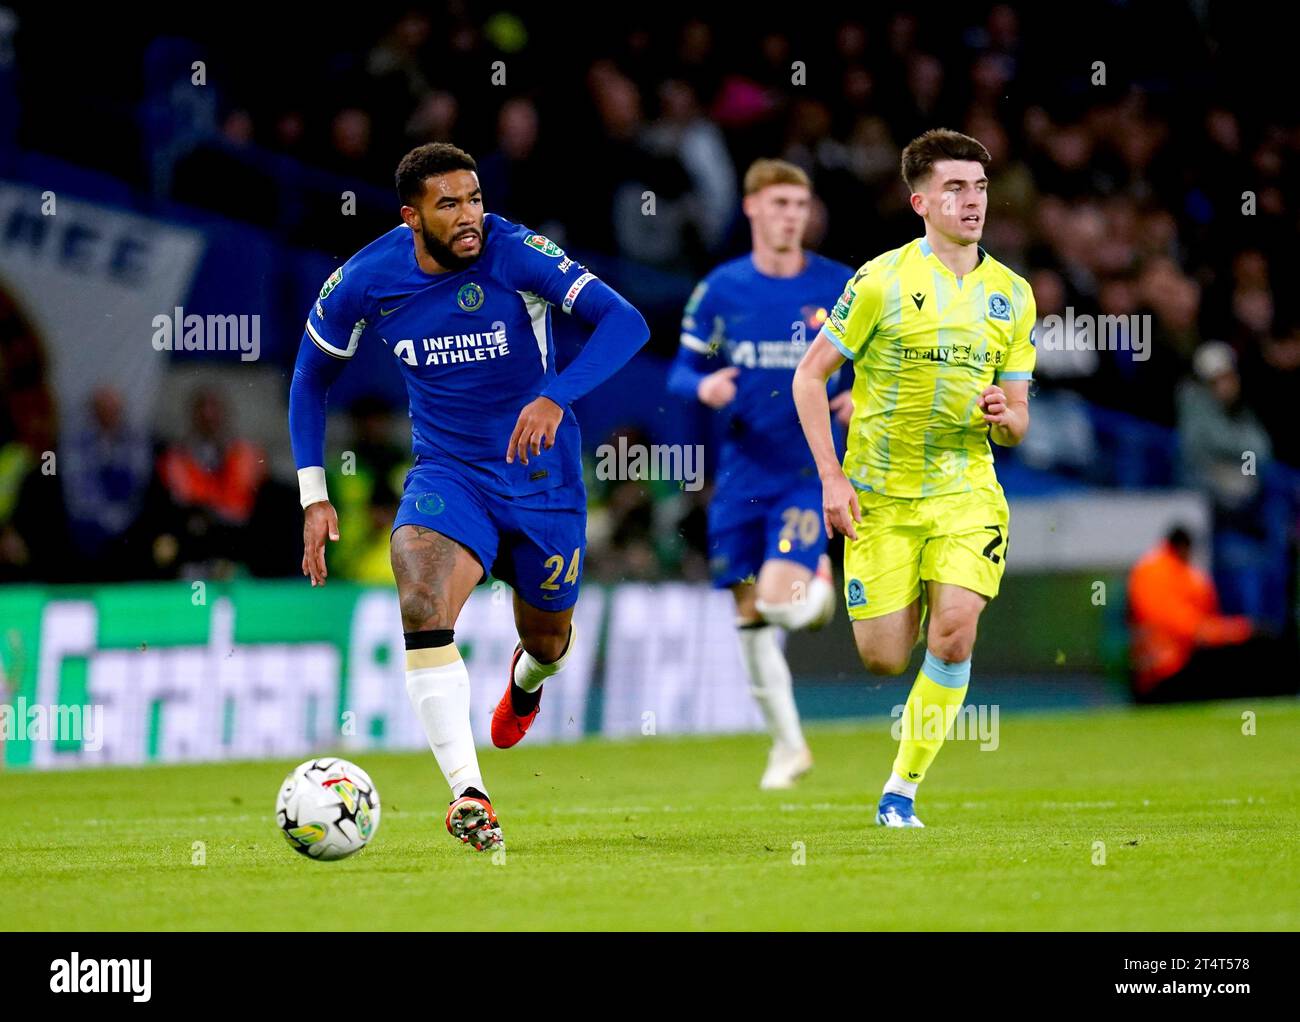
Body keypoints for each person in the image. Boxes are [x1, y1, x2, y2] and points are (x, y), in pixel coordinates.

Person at [289, 143, 649, 852]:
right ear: (411, 215)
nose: (469, 216)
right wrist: (313, 494)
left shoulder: (519, 254)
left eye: (475, 198)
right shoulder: (364, 279)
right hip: (450, 475)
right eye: (448, 204)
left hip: (543, 481)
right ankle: (468, 793)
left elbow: (626, 322)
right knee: (419, 589)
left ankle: (526, 683)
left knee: (547, 641)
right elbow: (310, 380)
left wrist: (555, 393)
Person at [792, 128, 1036, 828]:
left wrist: (1003, 416)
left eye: (981, 187)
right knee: (882, 656)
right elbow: (810, 378)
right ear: (921, 201)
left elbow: (1019, 419)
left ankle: (900, 792)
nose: (972, 201)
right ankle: (924, 601)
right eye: (955, 188)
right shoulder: (880, 281)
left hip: (966, 494)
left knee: (954, 634)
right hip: (880, 500)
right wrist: (832, 480)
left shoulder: (1012, 296)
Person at [667, 158, 854, 789]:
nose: (791, 217)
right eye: (779, 205)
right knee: (748, 613)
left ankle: (818, 588)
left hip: (808, 470)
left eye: (799, 207)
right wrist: (706, 384)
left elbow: (881, 366)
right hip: (740, 476)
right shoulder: (721, 289)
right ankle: (789, 746)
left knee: (778, 599)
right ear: (751, 209)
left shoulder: (841, 286)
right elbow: (678, 372)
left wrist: (864, 398)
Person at [1128, 526, 1296, 702]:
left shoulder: (1153, 570)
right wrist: (1242, 630)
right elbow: (1189, 627)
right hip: (1169, 668)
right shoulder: (1167, 574)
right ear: (1183, 547)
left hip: (1158, 668)